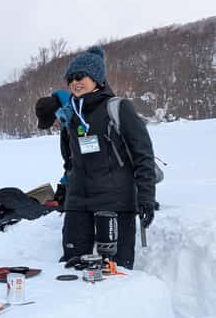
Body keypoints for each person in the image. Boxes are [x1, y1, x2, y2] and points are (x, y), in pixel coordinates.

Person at [58, 46, 156, 269]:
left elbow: (143, 156)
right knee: (73, 268)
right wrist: (68, 186)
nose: (75, 82)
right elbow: (69, 159)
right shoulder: (70, 114)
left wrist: (146, 198)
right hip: (78, 203)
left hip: (115, 201)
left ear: (97, 78)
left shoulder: (118, 108)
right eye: (70, 78)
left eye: (80, 76)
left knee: (116, 270)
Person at [34, 89, 73, 206]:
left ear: (59, 112)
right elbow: (71, 162)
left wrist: (70, 189)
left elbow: (88, 159)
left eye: (53, 122)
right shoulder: (67, 127)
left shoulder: (82, 119)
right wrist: (64, 185)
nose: (54, 126)